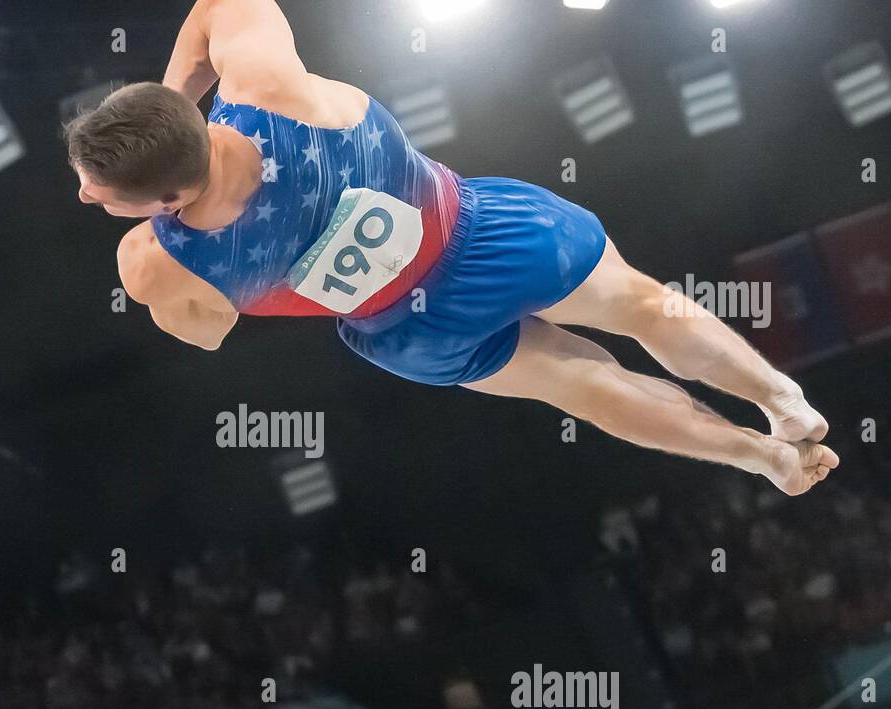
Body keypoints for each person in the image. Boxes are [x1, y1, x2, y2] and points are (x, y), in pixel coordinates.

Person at [66, 0, 836, 496]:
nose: (85, 196)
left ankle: (759, 459)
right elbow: (216, 6)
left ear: (163, 199)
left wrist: (154, 237)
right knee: (643, 308)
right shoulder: (271, 84)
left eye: (97, 190)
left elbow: (207, 331)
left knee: (585, 389)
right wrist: (175, 105)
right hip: (482, 233)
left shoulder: (157, 259)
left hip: (411, 330)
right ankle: (780, 402)